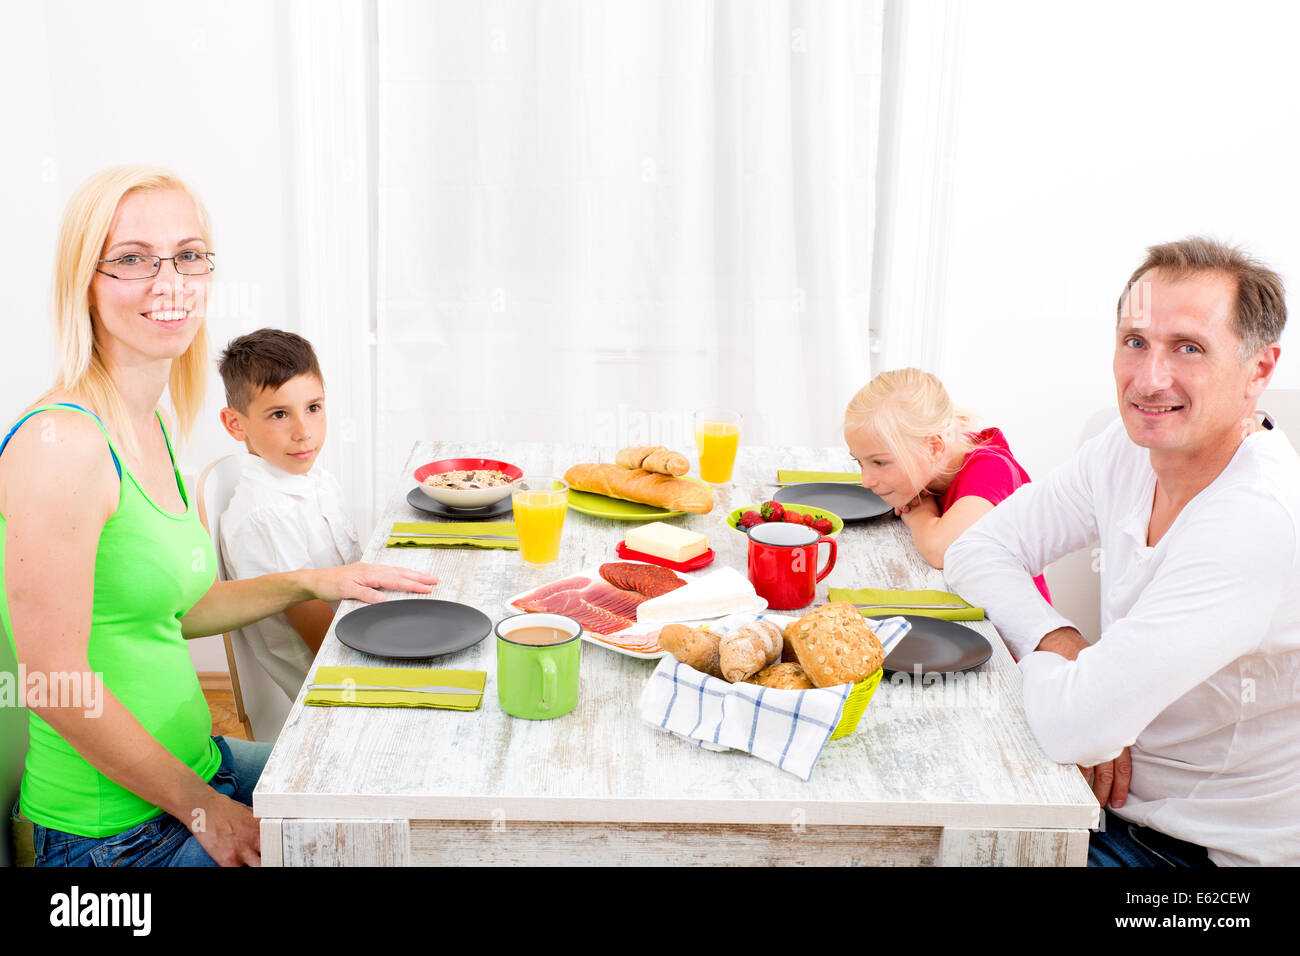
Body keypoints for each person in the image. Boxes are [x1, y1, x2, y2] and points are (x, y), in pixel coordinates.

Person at [0, 165, 436, 867]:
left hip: (202, 766)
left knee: (408, 788)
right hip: (116, 837)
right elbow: (52, 679)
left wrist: (316, 580)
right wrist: (208, 811)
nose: (170, 281)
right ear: (85, 278)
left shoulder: (156, 424)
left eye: (189, 255)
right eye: (134, 259)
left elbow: (178, 609)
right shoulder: (63, 446)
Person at [945, 237, 1299, 867]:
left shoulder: (1255, 519)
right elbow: (978, 551)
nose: (1149, 378)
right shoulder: (1128, 449)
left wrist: (1091, 707)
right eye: (1135, 341)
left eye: (1188, 348)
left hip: (1202, 860)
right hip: (1094, 807)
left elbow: (1072, 727)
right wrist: (1060, 642)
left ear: (1260, 370)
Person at [216, 328, 360, 700]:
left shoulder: (315, 478)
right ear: (236, 424)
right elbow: (324, 641)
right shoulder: (266, 515)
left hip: (359, 635)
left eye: (313, 408)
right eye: (280, 414)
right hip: (338, 682)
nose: (304, 432)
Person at [842, 368, 1051, 602]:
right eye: (859, 461)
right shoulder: (934, 463)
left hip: (1012, 625)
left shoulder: (993, 469)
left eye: (879, 462)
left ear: (934, 447)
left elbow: (938, 550)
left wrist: (920, 510)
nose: (866, 481)